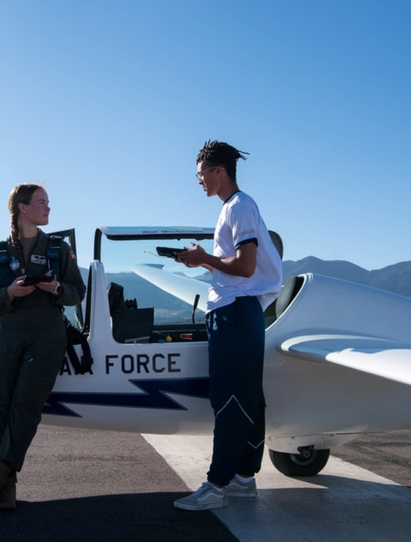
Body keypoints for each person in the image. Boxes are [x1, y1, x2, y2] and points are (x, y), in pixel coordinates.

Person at [173, 140, 282, 511]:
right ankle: (242, 479)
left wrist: (207, 257)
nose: (199, 181)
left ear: (218, 171)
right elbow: (237, 268)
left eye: (201, 174)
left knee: (230, 397)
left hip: (234, 312)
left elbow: (245, 267)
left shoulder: (239, 207)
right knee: (247, 395)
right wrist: (202, 261)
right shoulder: (235, 208)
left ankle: (217, 485)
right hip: (239, 311)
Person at [0, 183, 86, 510]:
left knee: (26, 402)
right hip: (7, 331)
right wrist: (8, 293)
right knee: (1, 406)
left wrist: (56, 288)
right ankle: (5, 489)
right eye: (42, 202)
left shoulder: (58, 248)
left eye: (48, 203)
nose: (48, 208)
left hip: (47, 331)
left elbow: (77, 292)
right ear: (23, 208)